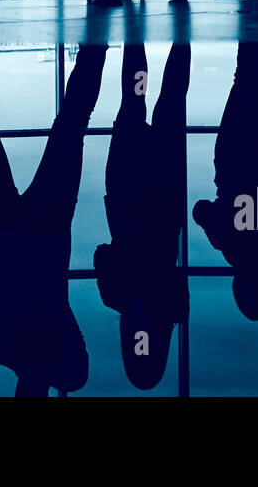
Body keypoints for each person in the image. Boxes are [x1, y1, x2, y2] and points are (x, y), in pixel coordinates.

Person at [0, 43, 107, 395]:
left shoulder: (60, 364)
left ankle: (97, 43)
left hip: (45, 230)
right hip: (0, 230)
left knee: (71, 122)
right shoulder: (2, 350)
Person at [93, 42, 190, 390]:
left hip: (161, 199)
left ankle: (178, 39)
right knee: (136, 101)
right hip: (126, 195)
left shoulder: (173, 311)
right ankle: (138, 36)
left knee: (166, 102)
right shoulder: (115, 297)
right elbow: (103, 254)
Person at [192, 41, 258, 321]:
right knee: (244, 79)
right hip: (232, 165)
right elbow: (200, 210)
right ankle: (253, 23)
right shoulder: (227, 244)